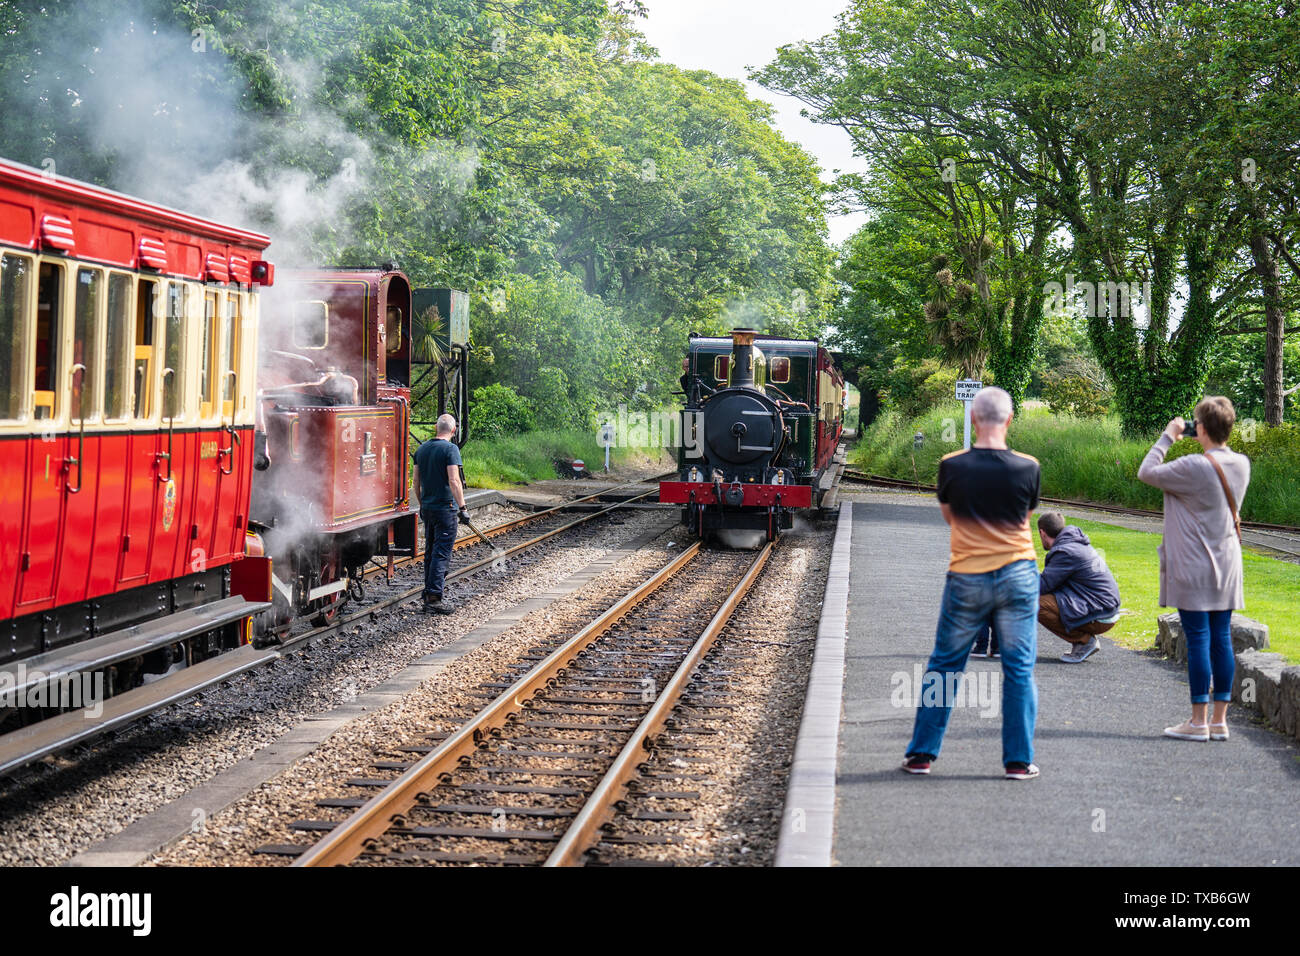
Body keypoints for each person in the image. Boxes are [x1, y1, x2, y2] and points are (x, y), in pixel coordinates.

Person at [902, 386, 1043, 780]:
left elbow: (950, 516)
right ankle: (1018, 761)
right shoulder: (1028, 467)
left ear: (972, 419)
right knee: (1018, 668)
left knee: (945, 665)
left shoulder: (952, 465)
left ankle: (921, 756)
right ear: (1009, 420)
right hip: (1018, 574)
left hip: (967, 575)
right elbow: (1026, 517)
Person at [1137, 396, 1250, 742]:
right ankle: (1219, 720)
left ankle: (1197, 721)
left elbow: (1146, 472)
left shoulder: (1193, 467)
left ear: (1199, 428)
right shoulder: (1242, 463)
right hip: (1228, 564)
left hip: (1195, 565)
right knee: (1221, 640)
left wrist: (1168, 436)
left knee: (1199, 638)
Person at [1036, 511, 1122, 663]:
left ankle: (1084, 641)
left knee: (1033, 602)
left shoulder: (1066, 552)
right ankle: (1083, 640)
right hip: (1103, 606)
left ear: (1042, 533)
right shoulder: (1074, 544)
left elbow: (1041, 586)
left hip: (1101, 613)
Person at [413, 413, 470, 614]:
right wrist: (463, 508)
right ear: (453, 431)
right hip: (446, 508)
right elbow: (454, 480)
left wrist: (422, 504)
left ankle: (428, 593)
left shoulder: (421, 449)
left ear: (436, 428)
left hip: (427, 508)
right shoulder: (451, 449)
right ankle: (434, 598)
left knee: (430, 551)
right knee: (441, 553)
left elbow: (415, 483)